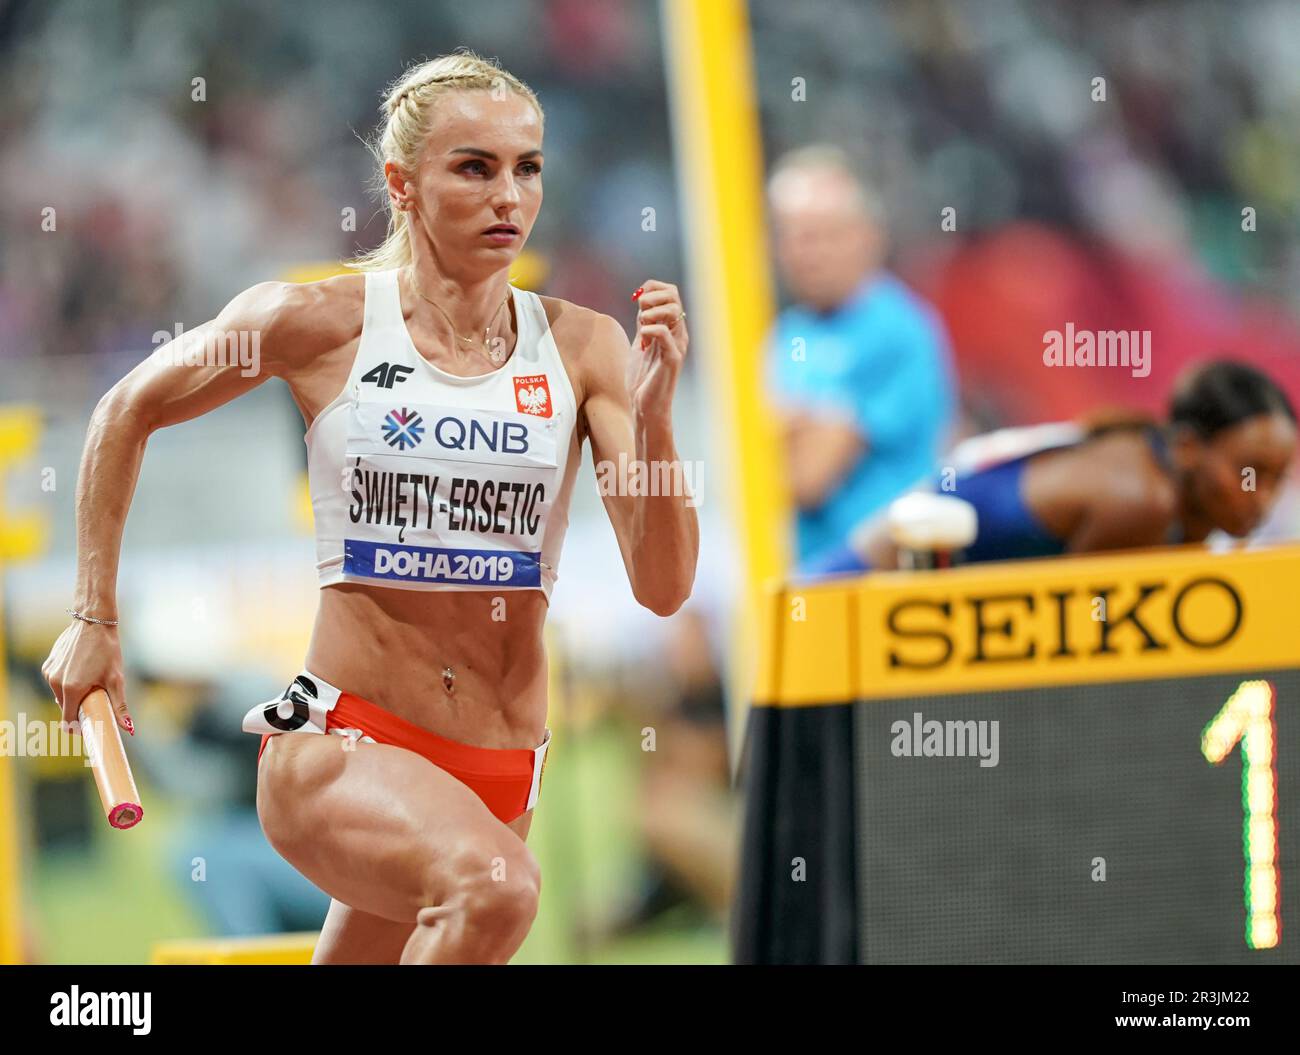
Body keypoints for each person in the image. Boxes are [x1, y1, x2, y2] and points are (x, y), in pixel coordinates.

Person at [39, 49, 699, 965]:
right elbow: (125, 409)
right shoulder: (318, 323)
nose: (509, 195)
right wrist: (92, 617)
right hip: (342, 744)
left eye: (528, 167)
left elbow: (664, 586)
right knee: (494, 889)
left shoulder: (586, 347)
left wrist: (657, 423)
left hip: (502, 773)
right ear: (402, 183)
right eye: (474, 167)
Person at [807, 359, 1297, 573]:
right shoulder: (1142, 503)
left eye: (1279, 477)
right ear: (1189, 448)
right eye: (1250, 471)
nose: (1263, 497)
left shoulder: (1163, 477)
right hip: (851, 592)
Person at [765, 144, 956, 572]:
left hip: (883, 584)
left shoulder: (895, 330)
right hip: (801, 582)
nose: (807, 252)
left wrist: (784, 428)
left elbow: (808, 478)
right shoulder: (785, 334)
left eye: (823, 234)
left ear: (869, 236)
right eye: (793, 236)